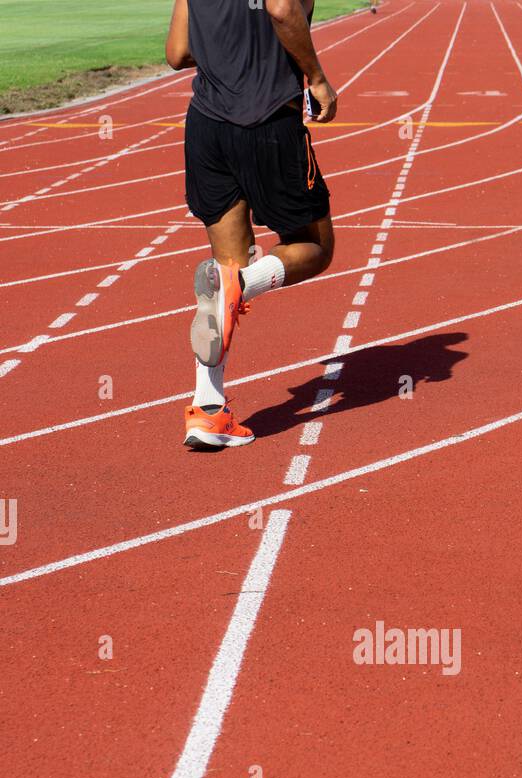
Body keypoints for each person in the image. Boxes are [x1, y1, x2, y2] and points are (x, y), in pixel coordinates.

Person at [165, 0, 338, 449]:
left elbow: (178, 52)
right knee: (315, 246)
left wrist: (228, 50)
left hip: (206, 124)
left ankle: (208, 412)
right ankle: (243, 283)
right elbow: (281, 9)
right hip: (267, 121)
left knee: (223, 268)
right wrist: (316, 78)